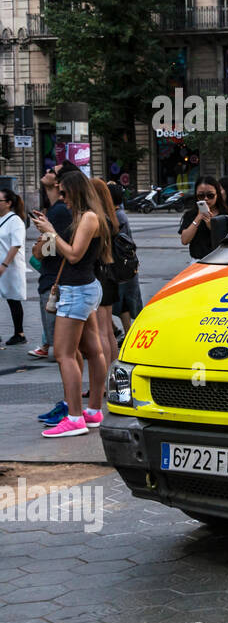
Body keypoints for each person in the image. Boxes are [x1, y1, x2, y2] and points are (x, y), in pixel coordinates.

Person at [30, 170, 110, 438]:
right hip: (83, 288)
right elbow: (50, 252)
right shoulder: (83, 216)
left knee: (64, 354)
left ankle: (75, 417)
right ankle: (93, 411)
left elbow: (74, 255)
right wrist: (48, 234)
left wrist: (51, 231)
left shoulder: (88, 217)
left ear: (76, 191)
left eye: (64, 192)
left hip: (77, 289)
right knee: (91, 349)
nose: (61, 197)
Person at [28, 162, 77, 359]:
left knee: (63, 352)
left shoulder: (58, 211)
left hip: (54, 280)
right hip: (58, 277)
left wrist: (39, 243)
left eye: (51, 171)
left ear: (58, 183)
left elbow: (45, 252)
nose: (46, 172)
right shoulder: (57, 209)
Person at [88, 179, 121, 384]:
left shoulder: (98, 220)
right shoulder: (111, 218)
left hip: (99, 275)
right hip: (109, 275)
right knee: (108, 330)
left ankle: (103, 382)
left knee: (101, 331)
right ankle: (114, 378)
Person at [107, 182, 143, 333]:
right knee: (123, 303)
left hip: (122, 266)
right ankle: (124, 332)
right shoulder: (117, 214)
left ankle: (130, 334)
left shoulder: (118, 217)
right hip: (122, 265)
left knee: (125, 303)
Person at [0, 188, 28, 346]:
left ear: (8, 203)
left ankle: (19, 333)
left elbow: (16, 244)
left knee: (13, 299)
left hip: (11, 267)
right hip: (2, 265)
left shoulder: (15, 221)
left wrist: (4, 264)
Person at [178, 176, 228, 260]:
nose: (206, 199)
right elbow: (184, 240)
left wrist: (212, 226)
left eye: (210, 195)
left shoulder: (225, 214)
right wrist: (198, 219)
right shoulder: (191, 215)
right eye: (201, 195)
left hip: (220, 260)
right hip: (198, 261)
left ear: (217, 195)